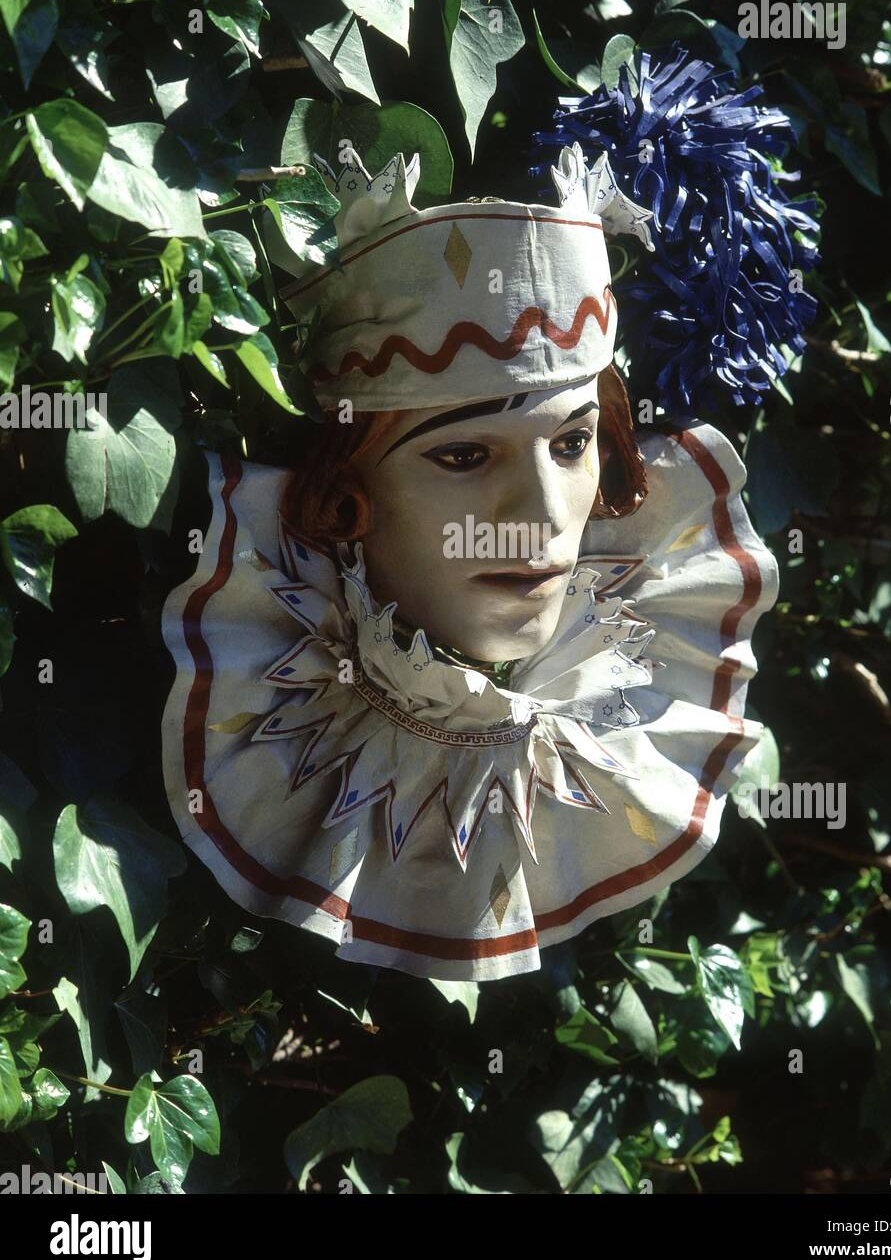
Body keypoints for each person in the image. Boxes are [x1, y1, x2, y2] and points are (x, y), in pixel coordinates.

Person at [160, 139, 780, 981]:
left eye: (573, 443)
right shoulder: (249, 658)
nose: (541, 516)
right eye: (461, 457)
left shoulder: (645, 656)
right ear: (346, 488)